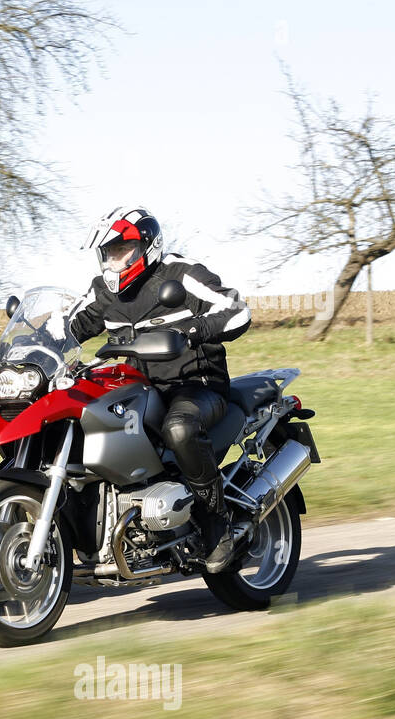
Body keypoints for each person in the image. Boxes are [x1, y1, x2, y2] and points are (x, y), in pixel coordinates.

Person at [59, 206, 252, 573]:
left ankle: (216, 522)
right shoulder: (103, 291)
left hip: (196, 384)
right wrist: (45, 338)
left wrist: (192, 331)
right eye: (109, 253)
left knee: (179, 428)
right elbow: (72, 325)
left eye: (121, 250)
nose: (114, 261)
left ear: (147, 244)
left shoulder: (181, 273)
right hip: (136, 389)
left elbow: (238, 311)